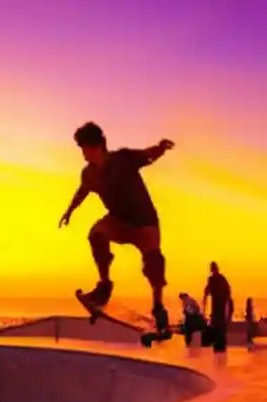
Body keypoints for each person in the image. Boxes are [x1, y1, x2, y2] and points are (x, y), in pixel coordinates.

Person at [59, 122, 175, 334]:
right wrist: (69, 211)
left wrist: (161, 147)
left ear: (100, 145)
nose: (85, 153)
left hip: (144, 223)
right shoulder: (88, 174)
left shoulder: (122, 159)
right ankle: (104, 287)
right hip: (118, 221)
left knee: (153, 263)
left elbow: (146, 155)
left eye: (88, 147)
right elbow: (82, 191)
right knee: (96, 234)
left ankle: (158, 307)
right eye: (82, 148)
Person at [202, 262, 233, 352]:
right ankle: (218, 342)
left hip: (220, 304)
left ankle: (220, 342)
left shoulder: (220, 279)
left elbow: (227, 292)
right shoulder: (213, 279)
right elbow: (207, 291)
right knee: (217, 322)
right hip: (216, 304)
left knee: (219, 322)